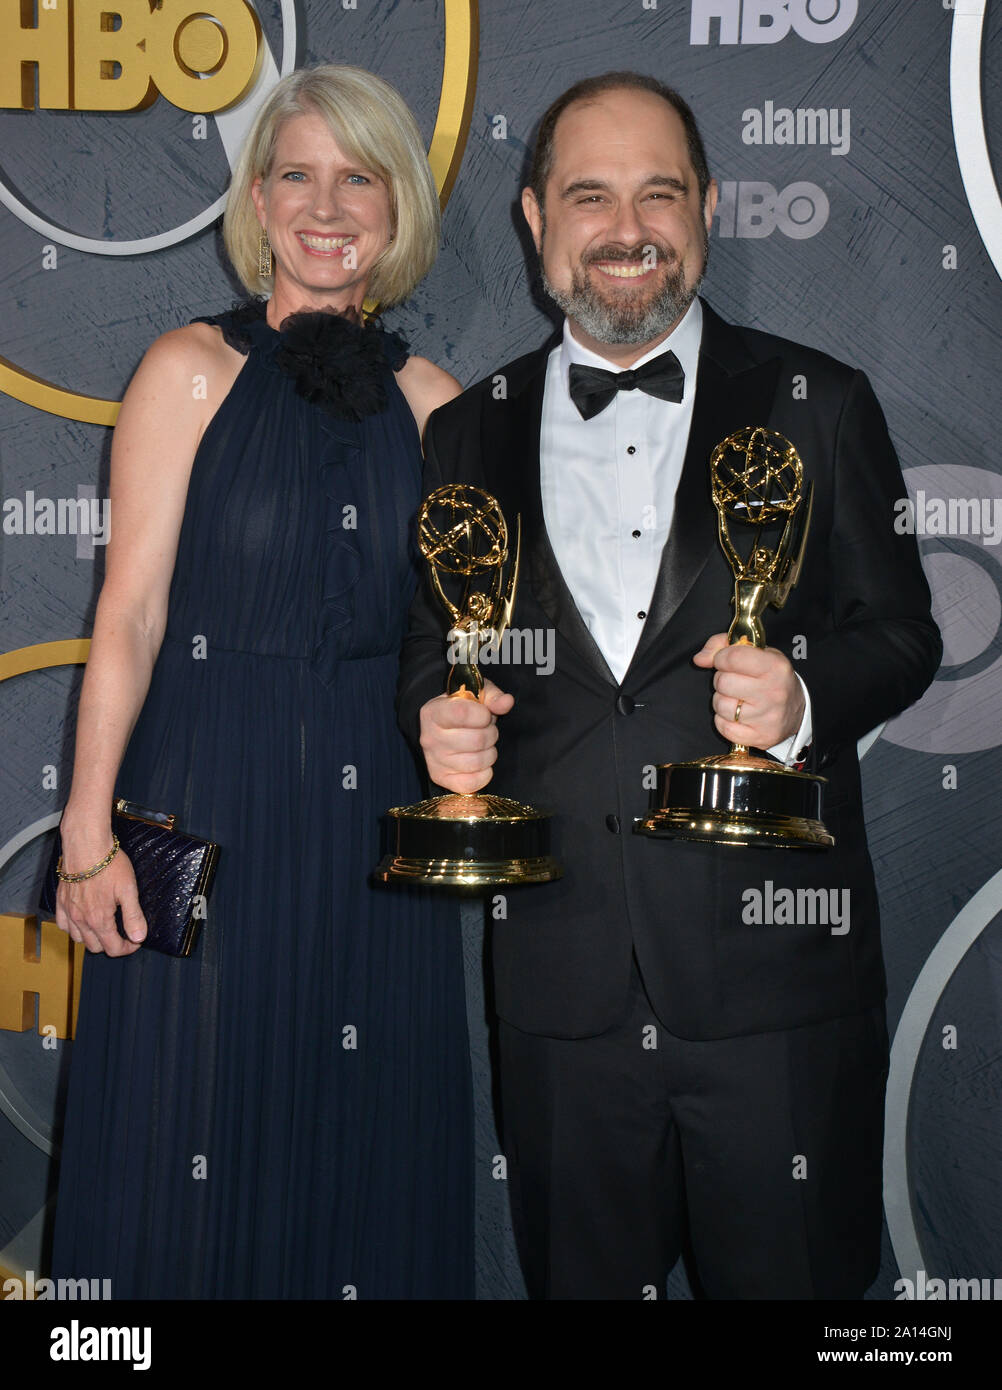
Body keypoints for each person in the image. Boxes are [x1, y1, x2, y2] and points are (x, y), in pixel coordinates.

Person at [397, 71, 941, 1300]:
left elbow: (903, 632)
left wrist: (802, 694)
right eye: (590, 195)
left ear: (705, 209)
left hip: (778, 998)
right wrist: (435, 717)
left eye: (659, 192)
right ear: (536, 220)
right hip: (559, 992)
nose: (627, 228)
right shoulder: (466, 430)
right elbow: (437, 649)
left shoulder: (821, 402)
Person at [51, 64, 473, 1299]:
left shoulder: (441, 407)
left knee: (364, 1145)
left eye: (360, 177)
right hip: (205, 795)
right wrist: (85, 833)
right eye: (298, 172)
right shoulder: (183, 370)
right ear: (257, 199)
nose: (327, 204)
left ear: (398, 209)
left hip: (371, 826)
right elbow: (125, 617)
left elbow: (454, 649)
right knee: (174, 1131)